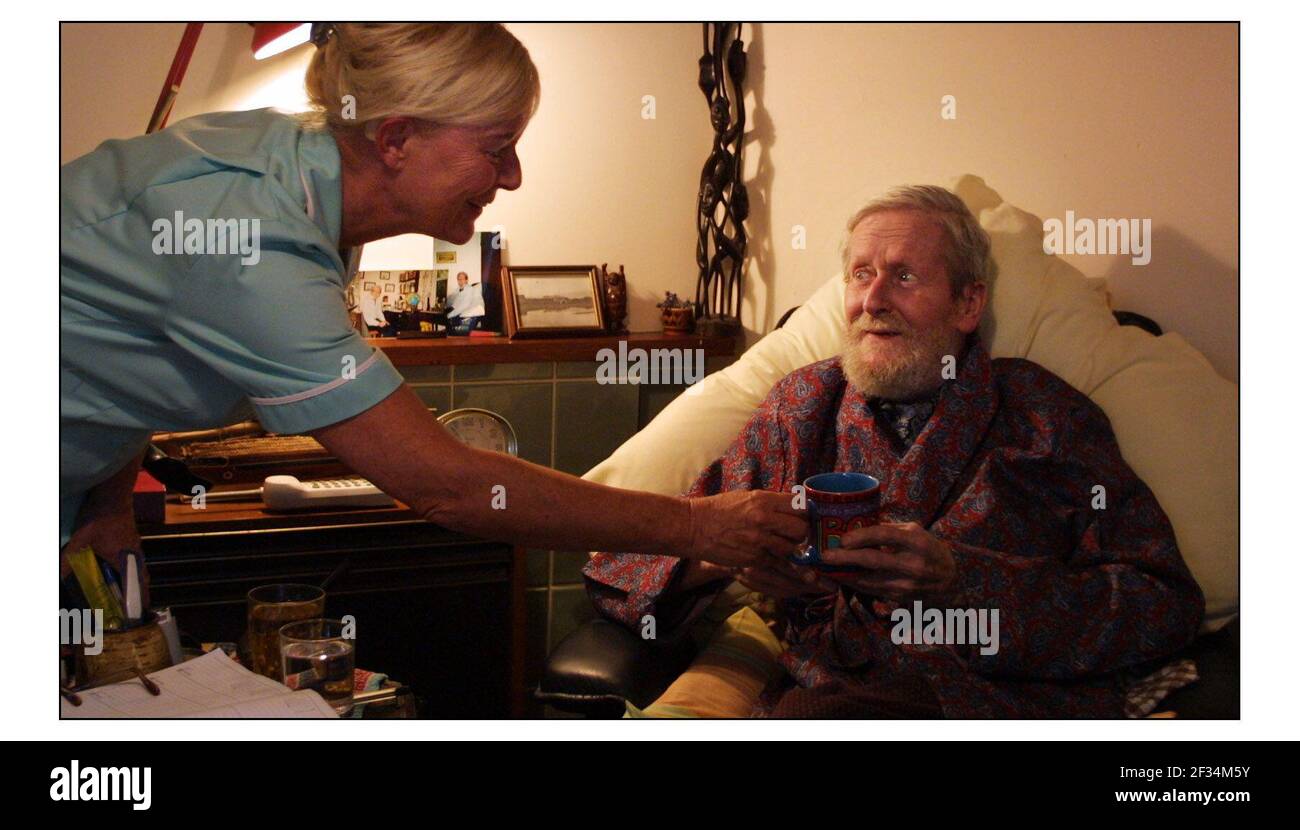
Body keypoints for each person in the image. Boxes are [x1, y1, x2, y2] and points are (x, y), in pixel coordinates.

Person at [60, 23, 805, 600]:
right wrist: (703, 526)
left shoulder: (299, 174)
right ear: (395, 139)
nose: (512, 176)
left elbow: (126, 326)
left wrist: (106, 502)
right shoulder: (250, 240)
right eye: (497, 147)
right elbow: (447, 485)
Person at [583, 185, 1204, 718]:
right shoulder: (803, 407)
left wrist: (963, 581)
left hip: (1006, 703)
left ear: (969, 304)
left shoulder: (1045, 416)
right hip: (838, 699)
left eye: (903, 276)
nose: (872, 300)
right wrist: (730, 554)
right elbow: (620, 568)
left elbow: (1161, 606)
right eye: (860, 274)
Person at [446, 271, 485, 335]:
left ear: (466, 280)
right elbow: (454, 304)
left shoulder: (470, 289)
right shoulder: (459, 290)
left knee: (459, 333)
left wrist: (450, 315)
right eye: (458, 279)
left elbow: (464, 305)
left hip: (473, 315)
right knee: (451, 328)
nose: (460, 281)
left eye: (462, 279)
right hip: (464, 314)